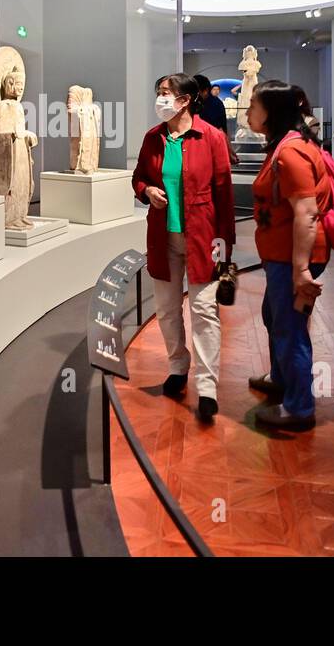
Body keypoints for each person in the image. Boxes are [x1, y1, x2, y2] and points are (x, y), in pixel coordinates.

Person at [132, 74, 236, 423]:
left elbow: (224, 193)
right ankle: (178, 366)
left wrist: (225, 247)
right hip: (164, 237)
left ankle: (207, 387)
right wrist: (147, 190)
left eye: (165, 94)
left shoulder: (211, 137)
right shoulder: (153, 138)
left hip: (203, 238)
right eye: (158, 93)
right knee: (166, 309)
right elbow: (139, 177)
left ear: (185, 100)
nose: (159, 99)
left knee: (205, 311)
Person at [245, 81, 331, 430]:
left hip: (292, 258)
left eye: (253, 105)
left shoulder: (290, 153)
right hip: (281, 256)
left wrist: (300, 270)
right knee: (275, 317)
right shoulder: (285, 145)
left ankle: (298, 407)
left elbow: (306, 213)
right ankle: (282, 379)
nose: (248, 111)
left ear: (272, 112)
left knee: (290, 328)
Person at [194, 73, 239, 165]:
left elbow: (221, 129)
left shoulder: (214, 104)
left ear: (205, 91)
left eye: (195, 92)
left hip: (210, 146)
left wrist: (229, 151)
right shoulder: (214, 102)